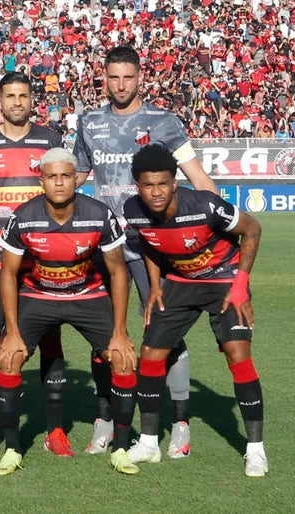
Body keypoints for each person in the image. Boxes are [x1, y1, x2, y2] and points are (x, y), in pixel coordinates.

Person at [74, 45, 218, 458]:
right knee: (103, 335)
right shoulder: (89, 122)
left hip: (153, 247)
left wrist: (219, 222)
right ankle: (105, 422)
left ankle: (180, 425)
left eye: (128, 77)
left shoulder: (164, 122)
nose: (121, 85)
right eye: (113, 78)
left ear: (141, 78)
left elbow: (197, 177)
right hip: (103, 247)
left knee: (164, 333)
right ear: (104, 79)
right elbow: (76, 175)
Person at [120, 144, 267, 477]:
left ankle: (255, 450)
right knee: (151, 354)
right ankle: (148, 442)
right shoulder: (134, 210)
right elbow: (149, 241)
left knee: (237, 355)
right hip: (179, 283)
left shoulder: (204, 205)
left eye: (162, 184)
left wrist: (241, 284)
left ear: (174, 183)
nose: (155, 192)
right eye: (147, 185)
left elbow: (253, 229)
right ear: (138, 187)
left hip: (224, 281)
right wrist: (155, 284)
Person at [0, 148, 137, 475]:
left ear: (76, 179)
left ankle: (122, 449)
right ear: (41, 180)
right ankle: (13, 449)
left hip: (87, 295)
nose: (59, 183)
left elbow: (117, 272)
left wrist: (120, 331)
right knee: (9, 357)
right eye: (52, 176)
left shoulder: (99, 214)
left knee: (123, 356)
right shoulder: (24, 215)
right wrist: (12, 332)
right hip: (38, 295)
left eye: (66, 176)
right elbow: (9, 273)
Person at [0, 71, 75, 458]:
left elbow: (61, 199)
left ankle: (56, 430)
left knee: (50, 342)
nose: (16, 102)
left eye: (22, 96)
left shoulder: (50, 140)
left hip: (41, 261)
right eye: (9, 96)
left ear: (32, 99)